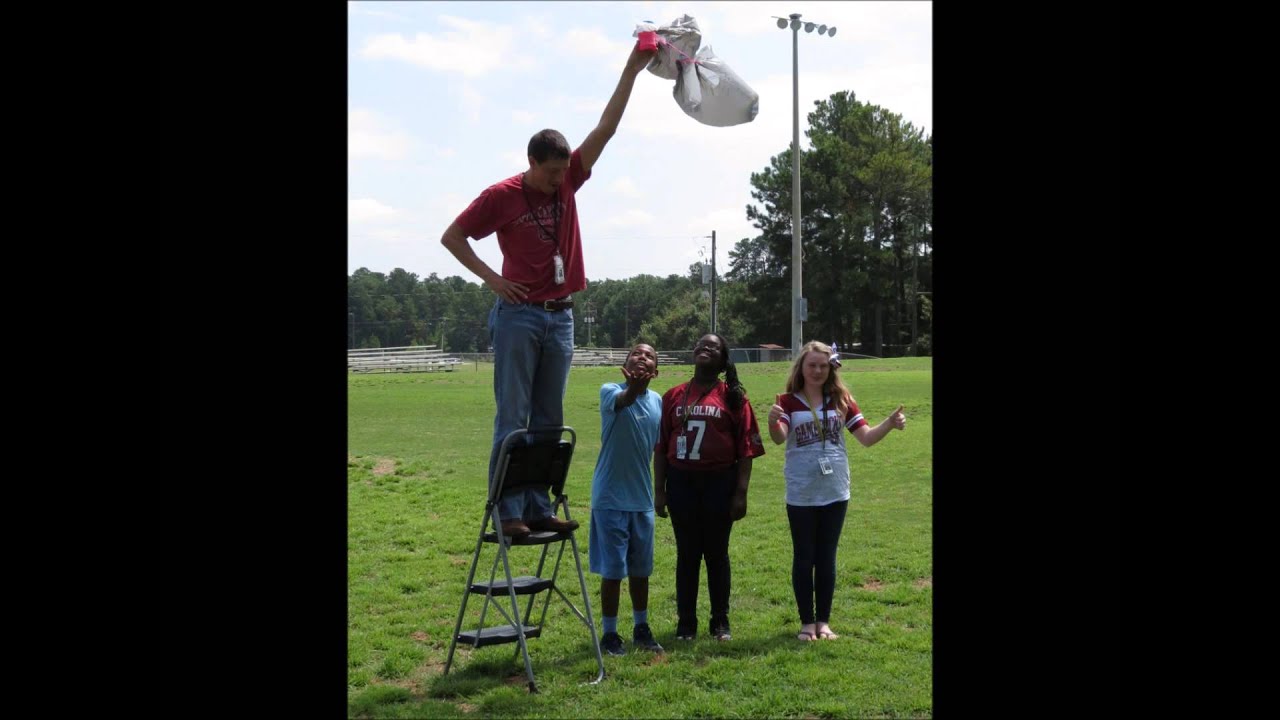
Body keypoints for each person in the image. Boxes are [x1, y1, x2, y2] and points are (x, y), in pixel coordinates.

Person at [440, 45, 656, 538]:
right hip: (518, 315)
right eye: (553, 172)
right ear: (531, 162)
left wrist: (631, 69)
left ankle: (537, 507)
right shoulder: (500, 196)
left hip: (561, 316)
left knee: (549, 418)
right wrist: (493, 280)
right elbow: (452, 236)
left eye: (566, 171)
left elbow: (606, 130)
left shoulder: (566, 181)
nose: (563, 180)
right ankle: (507, 512)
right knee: (512, 415)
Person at [766, 341, 907, 641]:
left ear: (831, 367)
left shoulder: (841, 399)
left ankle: (824, 622)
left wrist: (890, 424)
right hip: (802, 491)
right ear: (801, 368)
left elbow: (866, 438)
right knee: (804, 557)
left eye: (823, 365)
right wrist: (771, 420)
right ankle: (807, 623)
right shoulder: (788, 401)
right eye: (812, 365)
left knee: (827, 557)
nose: (817, 370)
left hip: (835, 489)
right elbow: (779, 438)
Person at [654, 333, 765, 641]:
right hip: (681, 482)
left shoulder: (733, 397)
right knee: (686, 555)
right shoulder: (674, 395)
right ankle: (686, 623)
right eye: (701, 345)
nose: (705, 348)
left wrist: (740, 492)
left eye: (713, 347)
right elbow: (661, 446)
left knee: (717, 554)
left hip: (719, 482)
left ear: (722, 359)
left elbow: (746, 449)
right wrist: (659, 490)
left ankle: (720, 621)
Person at [589, 343, 664, 656]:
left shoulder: (658, 400)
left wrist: (660, 491)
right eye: (636, 353)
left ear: (656, 370)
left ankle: (641, 627)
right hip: (609, 497)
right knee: (613, 570)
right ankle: (609, 634)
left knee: (640, 569)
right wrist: (632, 387)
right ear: (626, 362)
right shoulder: (610, 390)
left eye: (648, 355)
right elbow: (624, 399)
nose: (641, 357)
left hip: (642, 499)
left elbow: (659, 449)